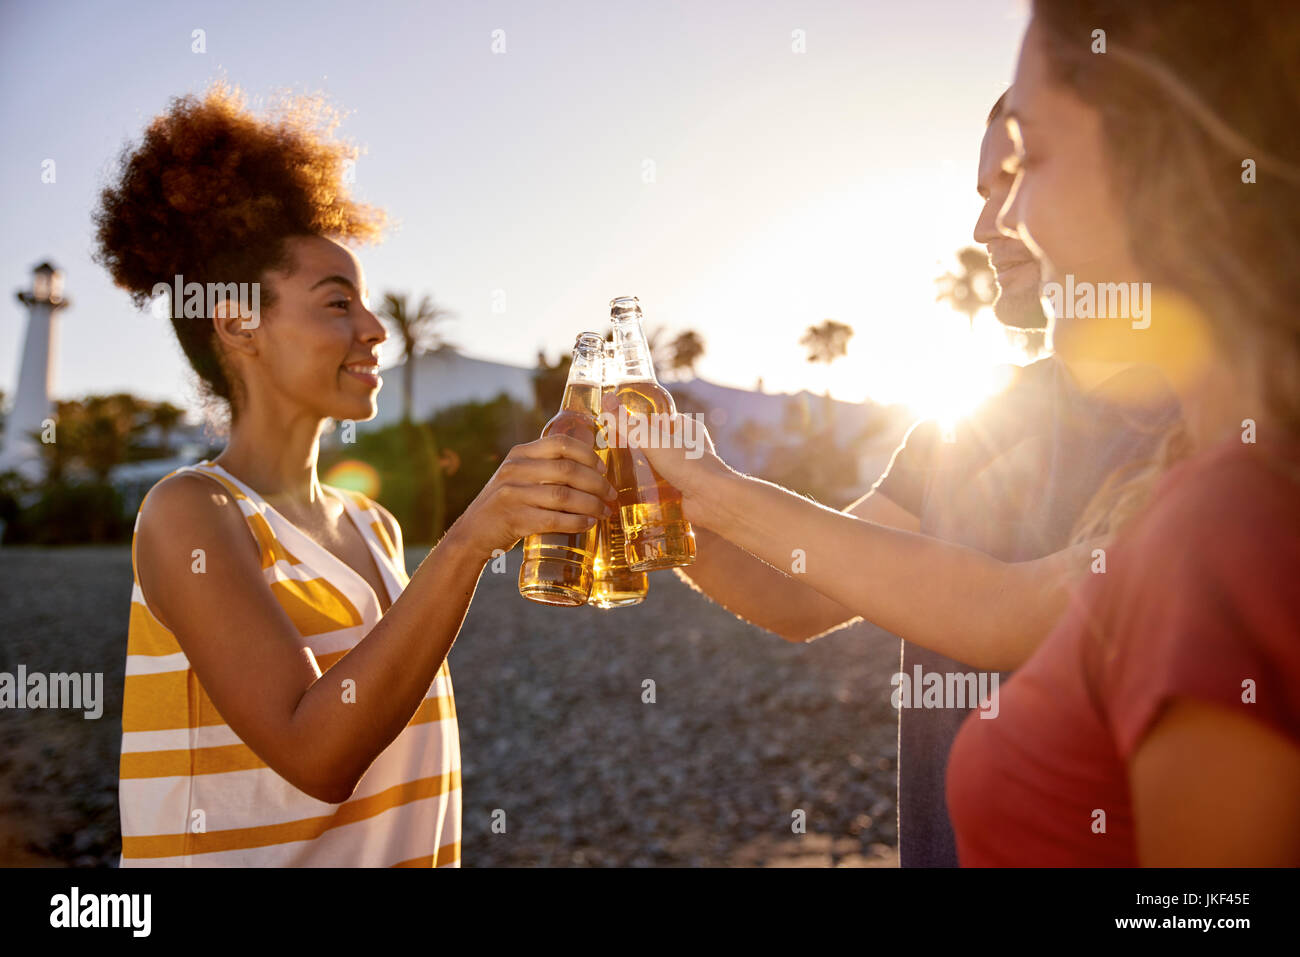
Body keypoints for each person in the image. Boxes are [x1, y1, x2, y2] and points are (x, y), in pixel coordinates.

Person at [649, 93, 1176, 866]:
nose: (984, 224)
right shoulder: (968, 424)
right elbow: (798, 595)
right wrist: (656, 508)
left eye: (1015, 178)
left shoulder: (1217, 421)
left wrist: (709, 484)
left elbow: (1007, 609)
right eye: (983, 193)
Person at [96, 85, 618, 866]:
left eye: (366, 305)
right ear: (239, 321)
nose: (374, 330)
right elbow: (317, 754)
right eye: (337, 302)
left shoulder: (372, 523)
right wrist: (472, 538)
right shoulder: (190, 513)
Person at [944, 0, 1300, 865]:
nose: (1005, 223)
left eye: (1032, 158)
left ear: (1166, 168)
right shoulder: (1216, 482)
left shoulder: (1225, 520)